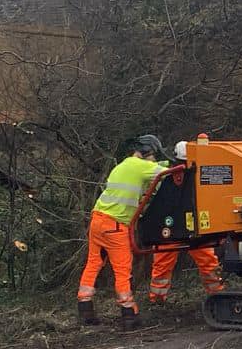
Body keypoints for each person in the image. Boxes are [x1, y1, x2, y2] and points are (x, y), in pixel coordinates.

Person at [78, 135, 167, 325]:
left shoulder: (121, 166)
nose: (154, 161)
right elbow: (168, 172)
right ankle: (128, 313)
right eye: (153, 156)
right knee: (122, 269)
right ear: (147, 153)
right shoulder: (141, 166)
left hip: (97, 221)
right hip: (115, 226)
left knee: (94, 263)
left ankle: (84, 309)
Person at [148, 141, 226, 308]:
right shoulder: (165, 173)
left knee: (208, 262)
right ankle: (157, 300)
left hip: (195, 227)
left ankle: (218, 296)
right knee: (163, 262)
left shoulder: (202, 174)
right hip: (173, 226)